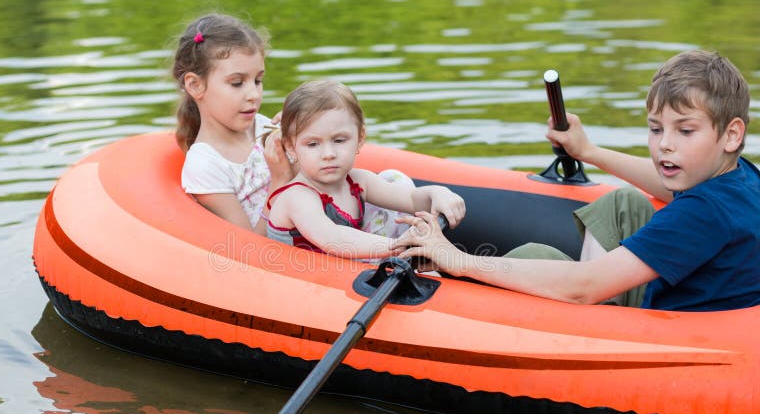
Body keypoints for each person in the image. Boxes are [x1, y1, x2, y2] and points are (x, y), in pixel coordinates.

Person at [394, 50, 760, 311]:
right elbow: (667, 182)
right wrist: (588, 151)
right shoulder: (739, 175)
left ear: (730, 134)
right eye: (655, 128)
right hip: (685, 295)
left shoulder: (700, 214)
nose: (665, 144)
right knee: (625, 203)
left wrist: (458, 260)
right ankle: (599, 303)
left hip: (665, 332)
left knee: (533, 256)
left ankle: (590, 322)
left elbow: (584, 287)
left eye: (685, 131)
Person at [266, 80, 466, 260]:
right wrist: (398, 245)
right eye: (312, 144)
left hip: (342, 274)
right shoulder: (297, 196)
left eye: (339, 140)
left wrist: (437, 193)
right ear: (291, 147)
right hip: (303, 282)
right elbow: (333, 237)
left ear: (360, 138)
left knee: (396, 178)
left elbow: (411, 199)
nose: (328, 153)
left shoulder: (358, 181)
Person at [174, 13, 294, 234]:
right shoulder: (205, 165)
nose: (253, 94)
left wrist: (302, 136)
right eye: (237, 83)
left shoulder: (263, 128)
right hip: (283, 255)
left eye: (258, 80)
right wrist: (279, 180)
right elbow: (251, 247)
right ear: (195, 85)